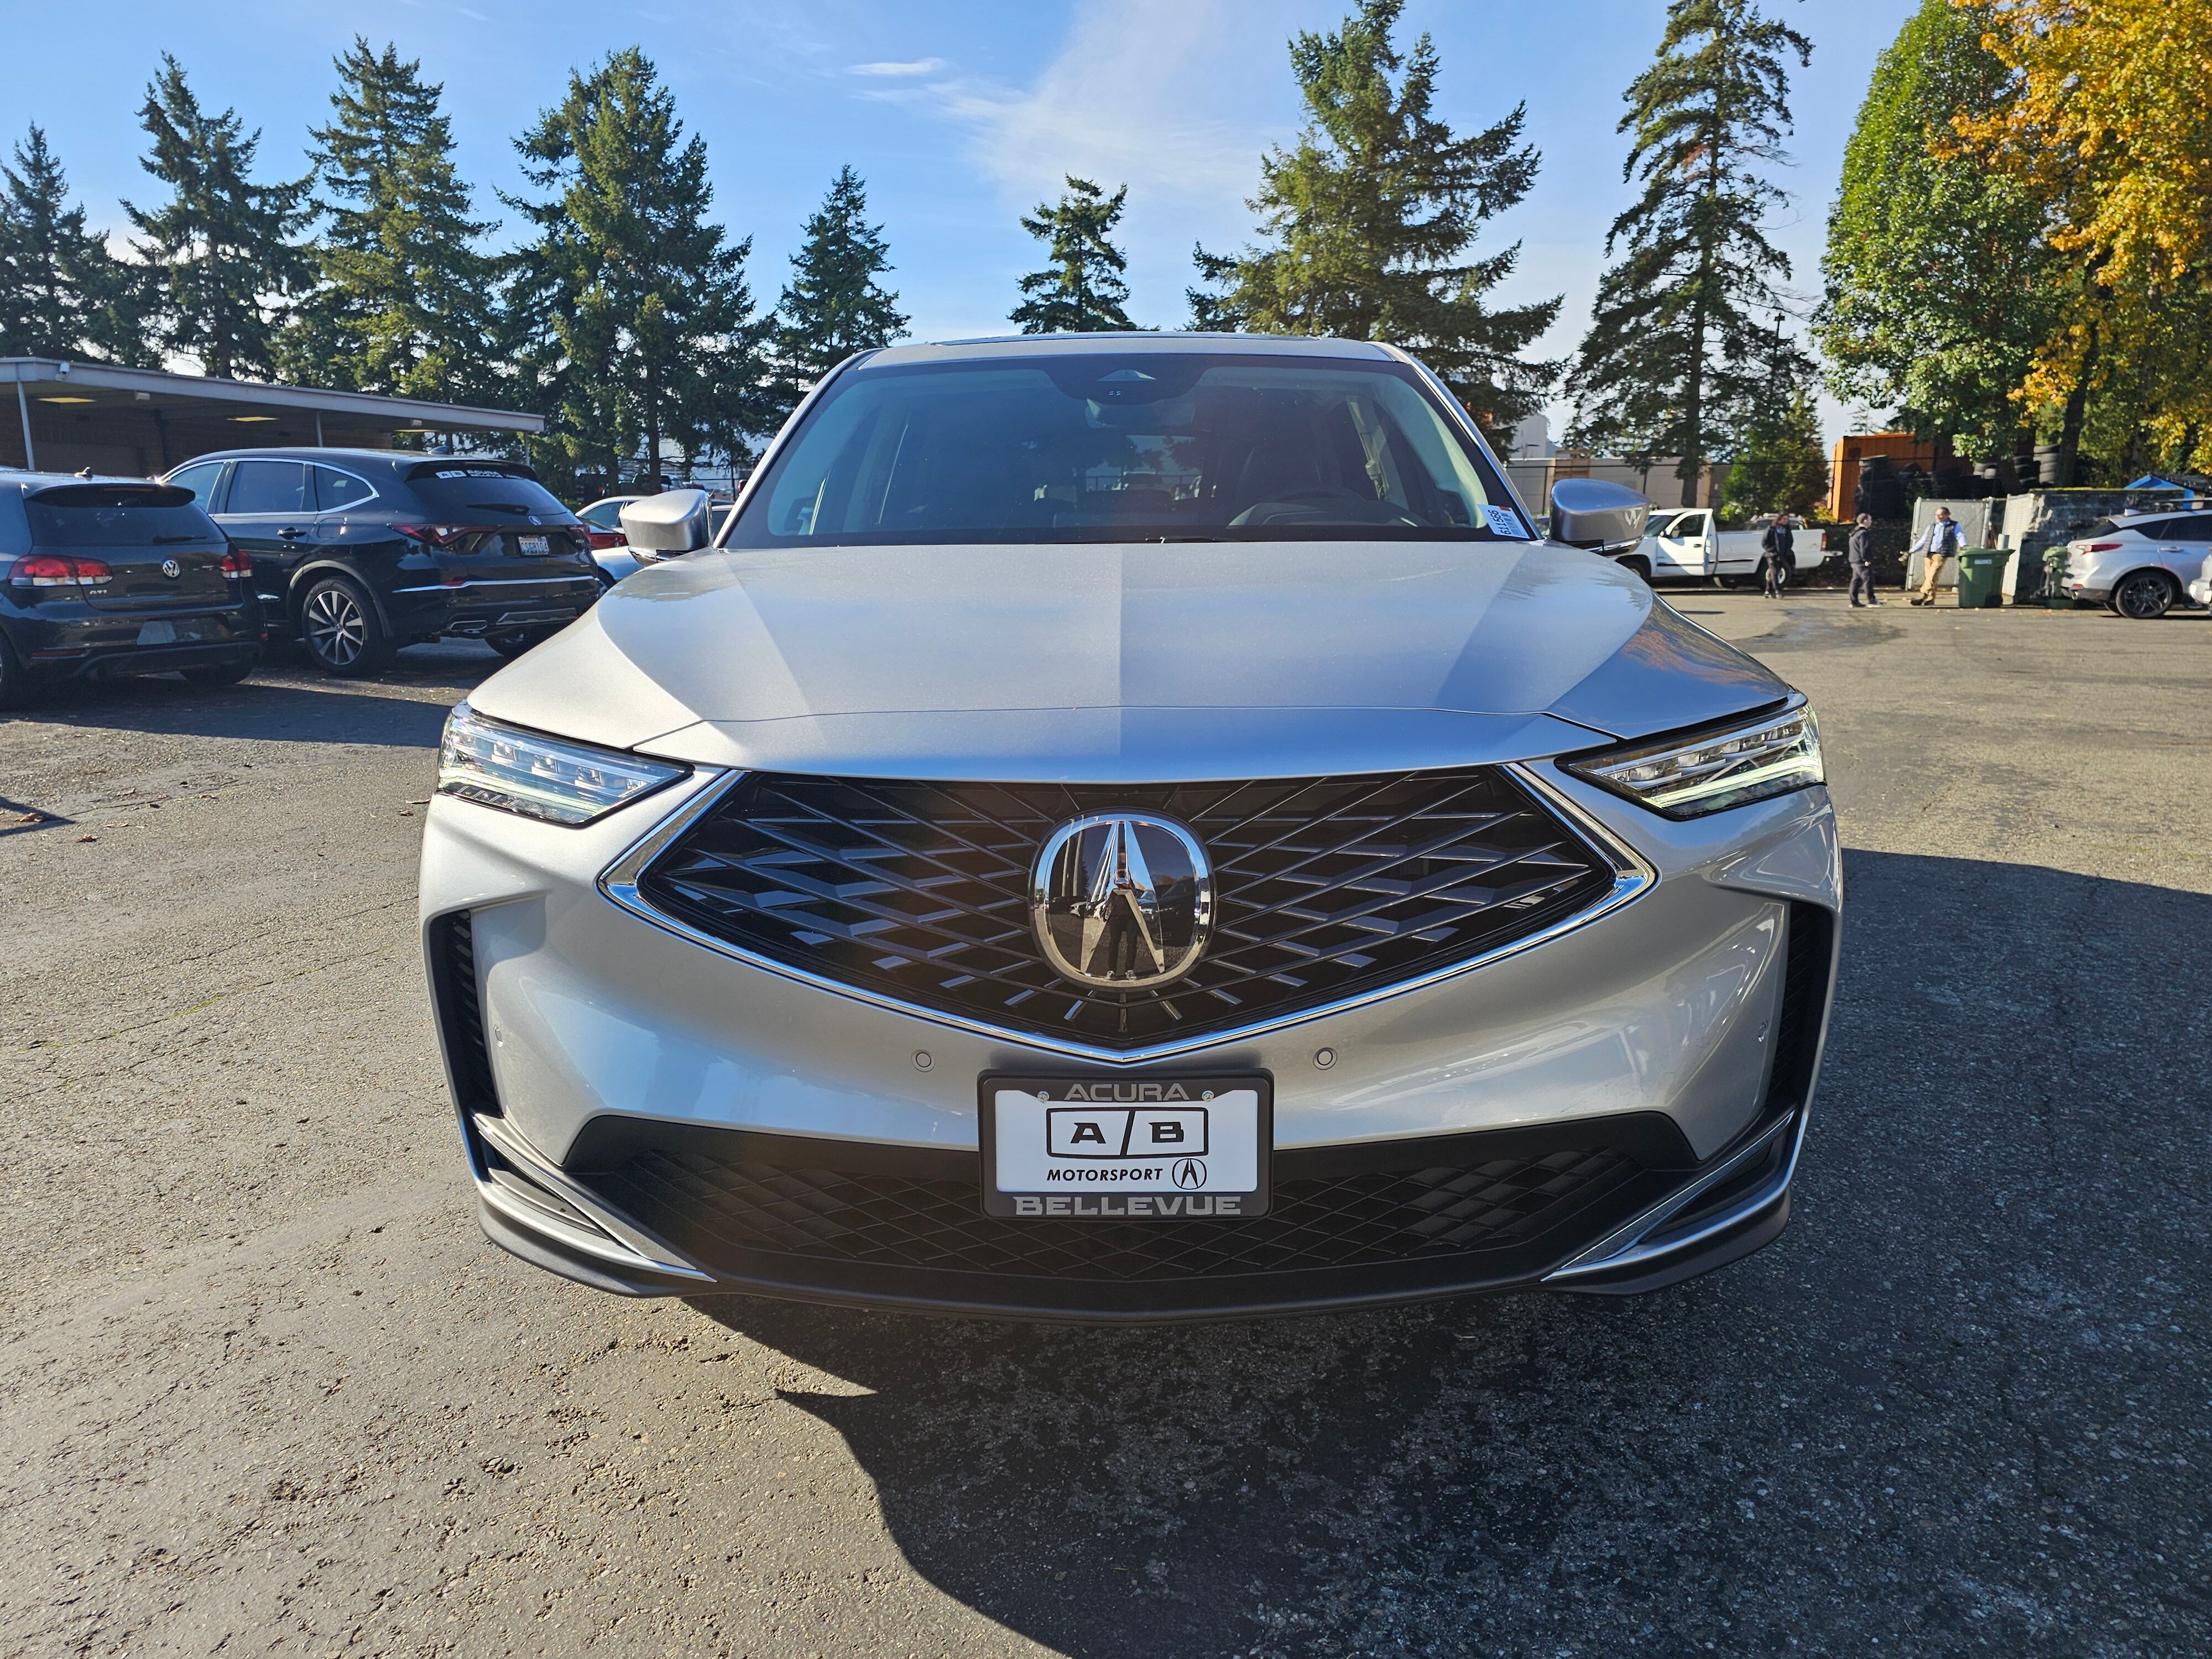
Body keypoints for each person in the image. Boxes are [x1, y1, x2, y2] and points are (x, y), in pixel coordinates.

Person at [1908, 507, 1964, 605]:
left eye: (1940, 515)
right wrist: (1911, 551)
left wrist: (1964, 545)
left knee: (1932, 576)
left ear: (1947, 515)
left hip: (1941, 554)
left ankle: (1923, 594)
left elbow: (1960, 535)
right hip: (1929, 554)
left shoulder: (1954, 525)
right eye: (1936, 515)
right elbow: (1923, 540)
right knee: (1931, 577)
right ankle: (1931, 599)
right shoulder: (1932, 526)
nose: (1937, 517)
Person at [1848, 512, 1880, 607]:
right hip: (1861, 562)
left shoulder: (1855, 532)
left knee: (1856, 581)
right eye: (1870, 520)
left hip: (1854, 560)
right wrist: (1866, 559)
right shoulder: (1864, 533)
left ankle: (1854, 602)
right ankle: (1871, 601)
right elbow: (1864, 548)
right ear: (1865, 521)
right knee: (1868, 580)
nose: (1871, 522)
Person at [1760, 513, 1796, 598]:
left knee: (1775, 573)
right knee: (1775, 572)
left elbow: (1790, 541)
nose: (1786, 521)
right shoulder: (1772, 529)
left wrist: (1786, 552)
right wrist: (1772, 551)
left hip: (1782, 555)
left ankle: (1767, 591)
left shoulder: (1787, 530)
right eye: (1784, 519)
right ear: (1779, 520)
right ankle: (1777, 591)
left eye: (1787, 519)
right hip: (1772, 555)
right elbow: (1764, 542)